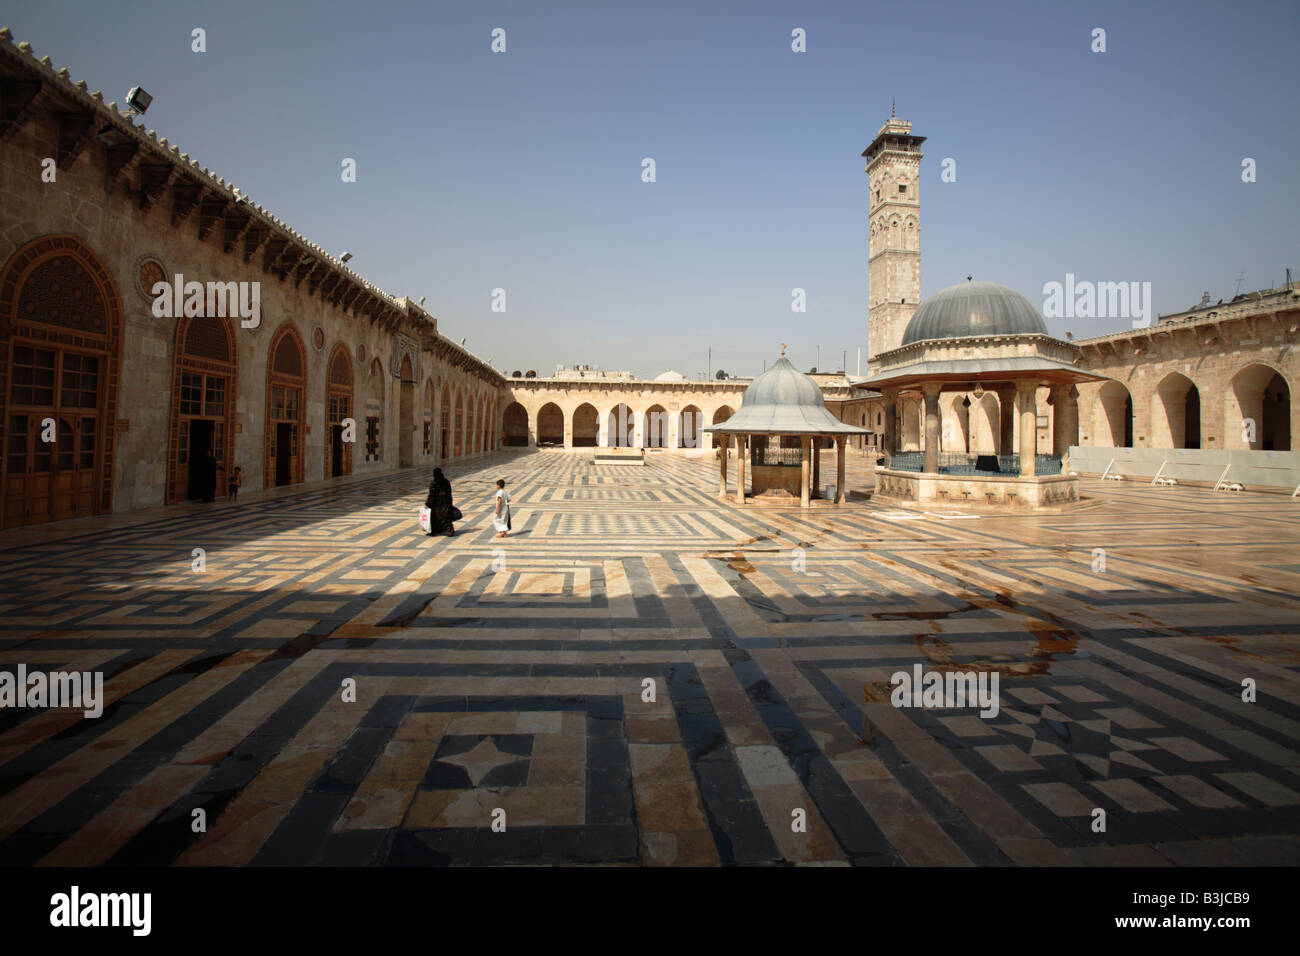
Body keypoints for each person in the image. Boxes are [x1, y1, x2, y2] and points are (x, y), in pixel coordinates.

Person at [425, 467, 455, 536]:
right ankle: (449, 530)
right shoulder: (446, 481)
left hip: (437, 504)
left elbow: (431, 495)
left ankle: (435, 531)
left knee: (435, 517)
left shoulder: (434, 483)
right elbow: (449, 493)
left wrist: (428, 504)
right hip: (445, 502)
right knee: (445, 517)